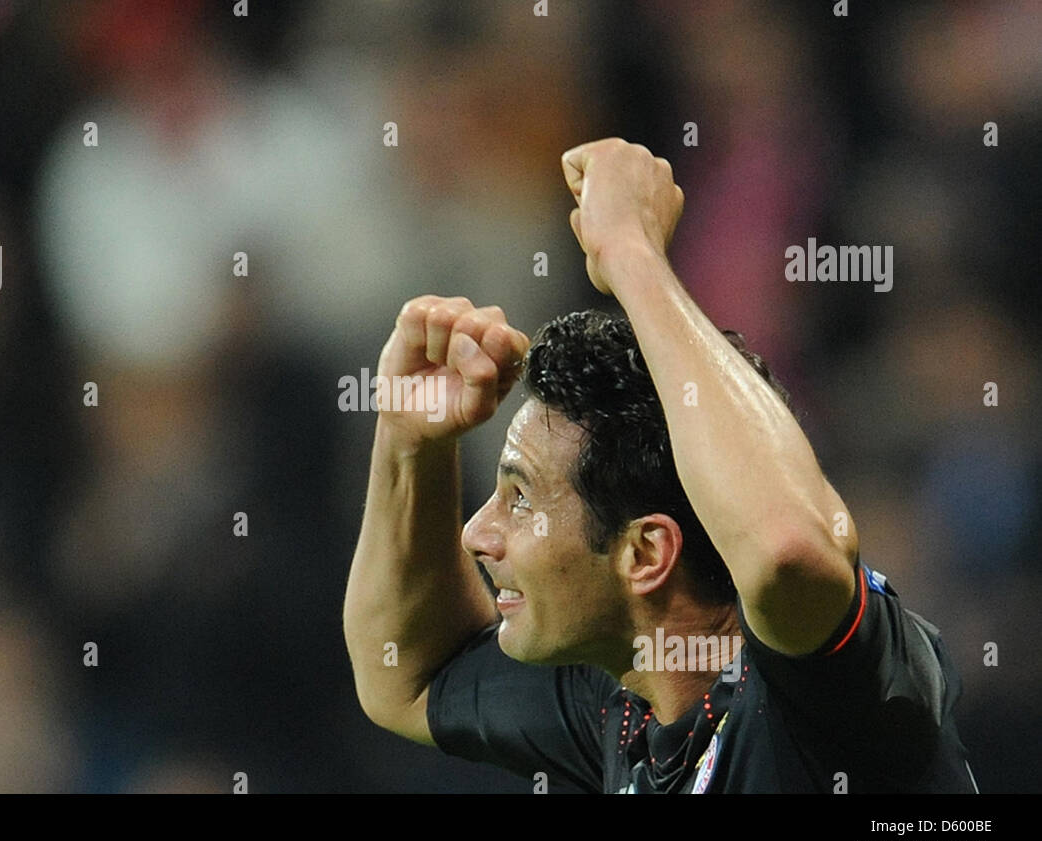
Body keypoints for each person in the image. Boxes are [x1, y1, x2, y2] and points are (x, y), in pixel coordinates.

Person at [343, 138, 977, 793]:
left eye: (521, 496)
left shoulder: (828, 690)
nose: (478, 532)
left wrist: (633, 255)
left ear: (647, 552)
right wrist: (411, 439)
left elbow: (789, 549)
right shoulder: (627, 701)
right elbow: (409, 677)